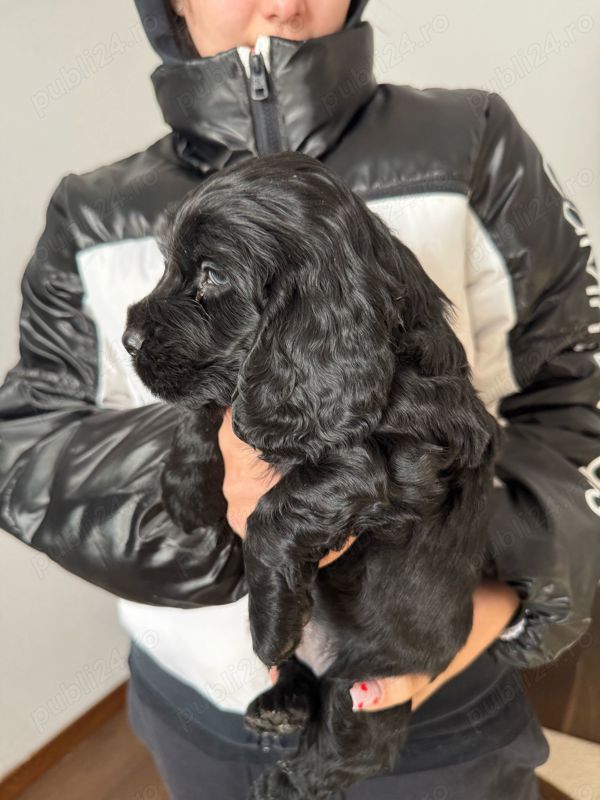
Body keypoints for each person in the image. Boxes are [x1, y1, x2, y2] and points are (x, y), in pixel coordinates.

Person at [1, 0, 599, 797]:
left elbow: (579, 385)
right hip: (199, 706)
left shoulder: (473, 142)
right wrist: (208, 477)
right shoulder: (89, 209)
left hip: (440, 686)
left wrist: (498, 598)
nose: (281, 2)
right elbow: (25, 450)